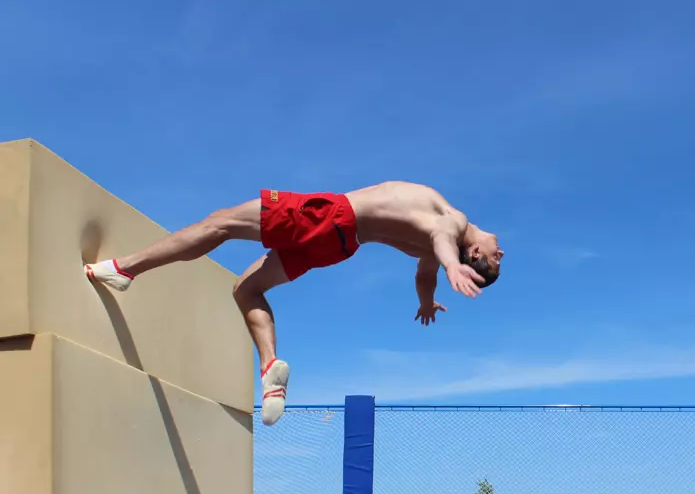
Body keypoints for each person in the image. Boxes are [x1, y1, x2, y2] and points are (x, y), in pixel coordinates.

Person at [84, 182, 504, 425]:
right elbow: (423, 272)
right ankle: (270, 370)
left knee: (220, 223)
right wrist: (427, 303)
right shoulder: (436, 243)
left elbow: (441, 242)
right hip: (340, 245)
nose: (500, 252)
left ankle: (127, 268)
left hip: (331, 217)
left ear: (474, 255)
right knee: (245, 290)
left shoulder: (453, 223)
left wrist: (452, 266)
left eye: (494, 259)